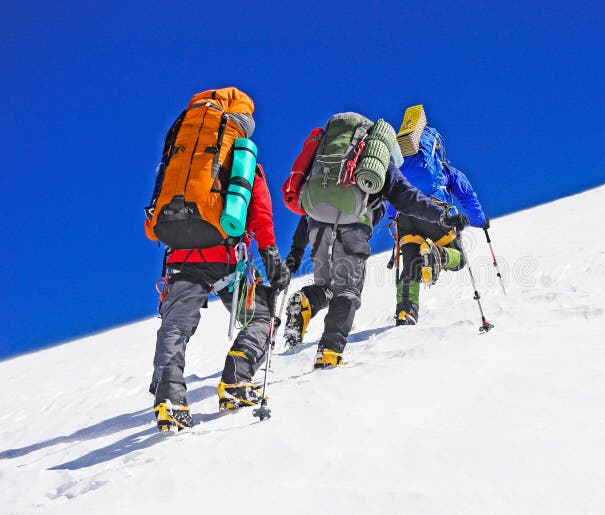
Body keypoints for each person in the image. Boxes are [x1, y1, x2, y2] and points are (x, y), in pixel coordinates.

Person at [147, 94, 290, 431]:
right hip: (226, 256)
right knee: (261, 316)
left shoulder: (179, 152)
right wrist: (271, 258)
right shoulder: (240, 157)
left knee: (175, 326)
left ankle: (168, 396)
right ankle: (237, 379)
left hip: (181, 256)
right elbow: (260, 212)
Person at [281, 113, 466, 369]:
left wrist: (296, 251)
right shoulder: (375, 159)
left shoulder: (325, 161)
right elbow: (405, 196)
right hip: (354, 225)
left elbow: (305, 211)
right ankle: (329, 353)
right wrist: (441, 215)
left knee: (327, 286)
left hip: (316, 224)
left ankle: (306, 300)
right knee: (347, 290)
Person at [389, 124, 489, 326]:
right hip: (435, 214)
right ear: (436, 148)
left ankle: (405, 313)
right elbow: (468, 196)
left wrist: (396, 223)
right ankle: (439, 255)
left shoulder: (400, 171)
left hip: (405, 221)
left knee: (410, 267)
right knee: (459, 259)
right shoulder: (445, 171)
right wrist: (480, 221)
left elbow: (391, 203)